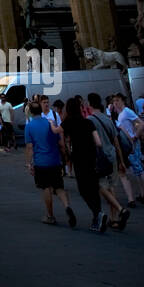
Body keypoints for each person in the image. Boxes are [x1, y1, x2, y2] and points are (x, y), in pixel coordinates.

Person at [24, 100, 76, 226]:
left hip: (41, 162)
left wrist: (29, 163)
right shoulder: (50, 123)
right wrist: (63, 155)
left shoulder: (29, 126)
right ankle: (67, 206)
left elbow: (30, 147)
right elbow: (60, 142)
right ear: (41, 111)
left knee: (46, 187)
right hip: (54, 160)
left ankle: (50, 215)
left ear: (30, 112)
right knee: (59, 187)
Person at [61, 96, 108, 233]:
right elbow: (98, 142)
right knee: (93, 187)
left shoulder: (69, 122)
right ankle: (98, 215)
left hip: (79, 159)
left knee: (83, 189)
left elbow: (56, 131)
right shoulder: (88, 122)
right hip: (92, 158)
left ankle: (97, 213)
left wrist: (52, 124)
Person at [87, 92, 132, 227]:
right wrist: (121, 160)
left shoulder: (90, 120)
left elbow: (92, 142)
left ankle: (119, 210)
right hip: (112, 156)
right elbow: (116, 141)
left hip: (100, 158)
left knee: (101, 186)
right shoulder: (108, 118)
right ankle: (113, 218)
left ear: (89, 104)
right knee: (111, 186)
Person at [113, 92, 144, 202]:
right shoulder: (122, 112)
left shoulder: (127, 111)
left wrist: (135, 136)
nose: (115, 103)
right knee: (137, 170)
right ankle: (142, 194)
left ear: (122, 100)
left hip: (132, 143)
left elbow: (141, 123)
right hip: (129, 143)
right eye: (114, 101)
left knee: (139, 169)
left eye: (117, 100)